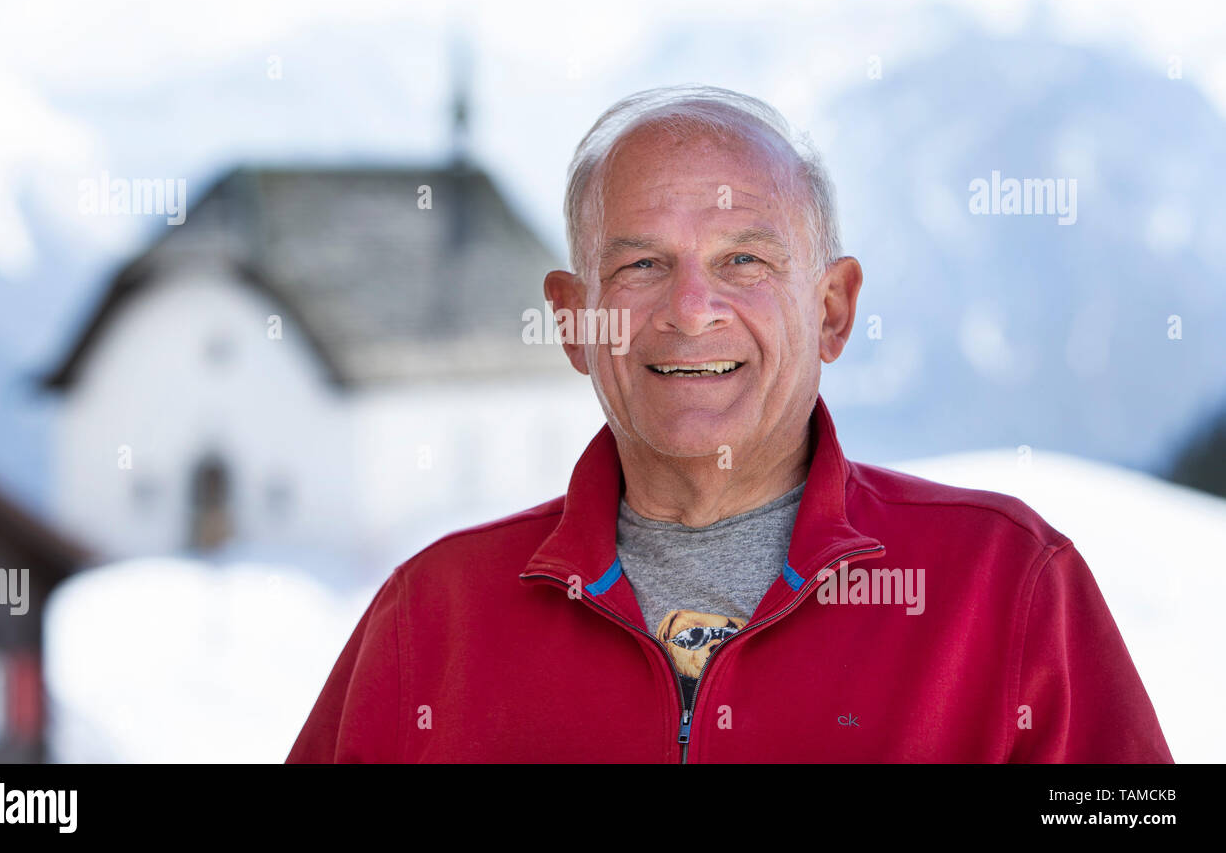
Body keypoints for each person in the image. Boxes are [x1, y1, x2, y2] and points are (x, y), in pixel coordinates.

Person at [286, 85, 1173, 763]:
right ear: (572, 319)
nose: (691, 309)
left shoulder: (1008, 587)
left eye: (743, 259)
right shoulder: (433, 619)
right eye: (639, 264)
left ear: (831, 308)